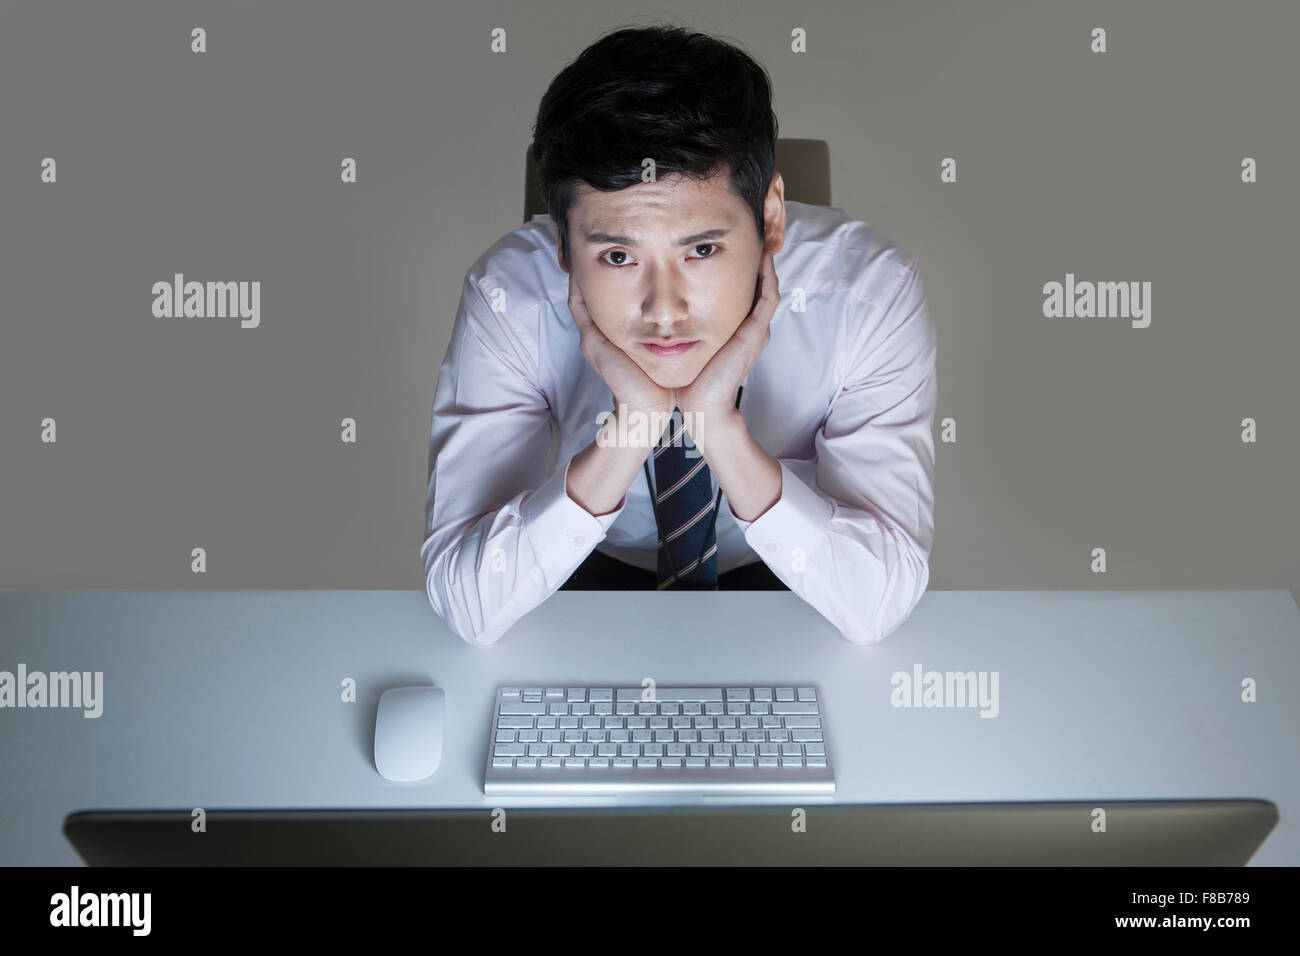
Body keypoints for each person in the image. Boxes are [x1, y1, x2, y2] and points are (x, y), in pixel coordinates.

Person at [422, 24, 937, 646]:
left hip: (797, 570)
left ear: (771, 216)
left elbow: (877, 600)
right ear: (562, 244)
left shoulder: (869, 296)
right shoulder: (509, 297)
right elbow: (468, 603)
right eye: (618, 257)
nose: (664, 311)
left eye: (702, 249)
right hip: (578, 559)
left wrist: (717, 426)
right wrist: (635, 422)